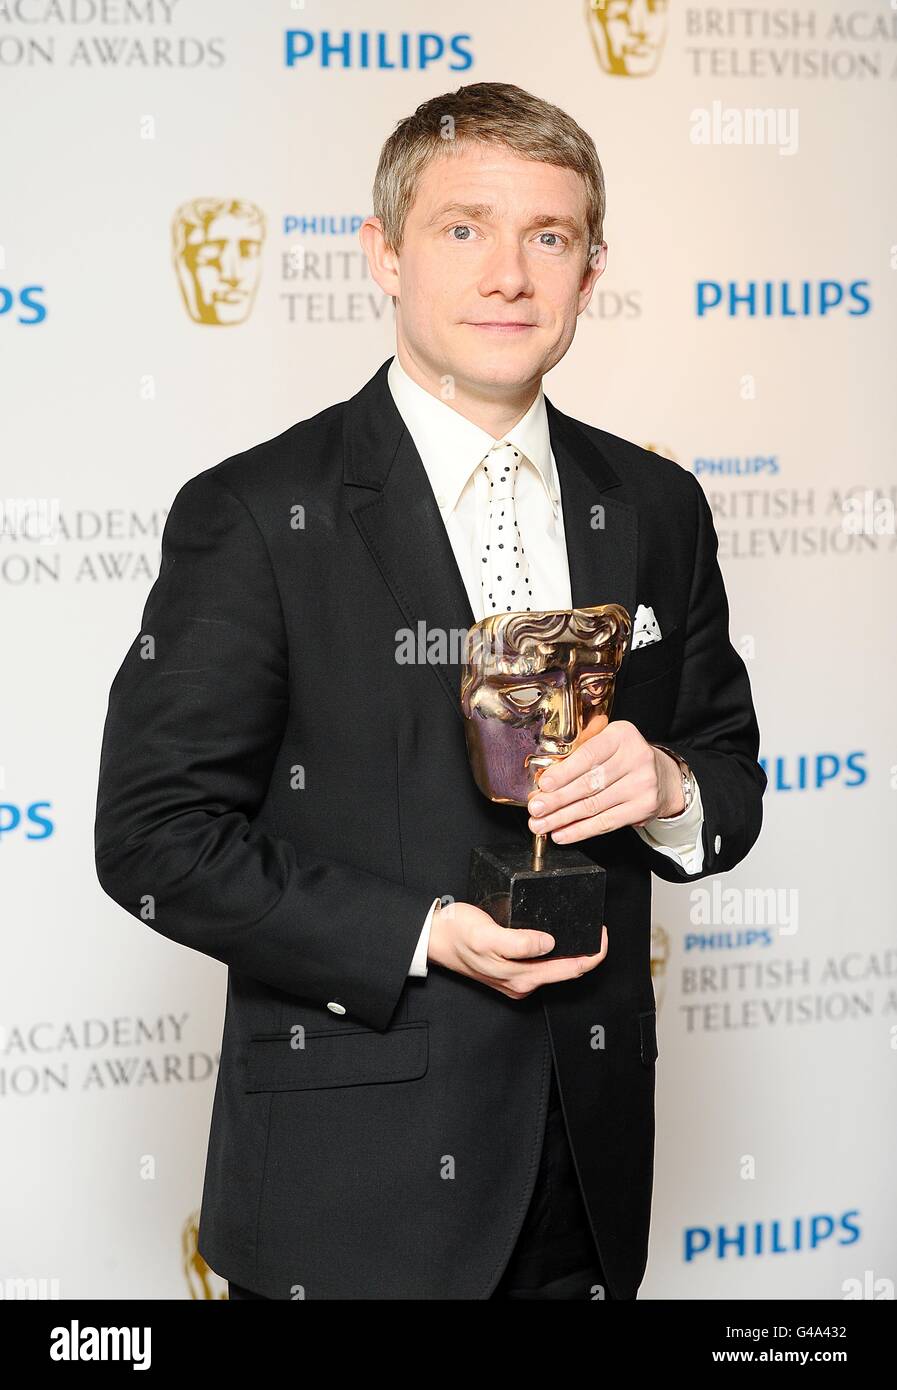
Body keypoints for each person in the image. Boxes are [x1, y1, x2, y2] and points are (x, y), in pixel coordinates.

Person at [94, 81, 765, 1300]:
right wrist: (421, 937)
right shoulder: (254, 515)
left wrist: (668, 787)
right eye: (464, 229)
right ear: (383, 255)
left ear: (591, 267)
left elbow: (727, 772)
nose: (509, 274)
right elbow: (153, 839)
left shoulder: (659, 508)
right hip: (351, 1210)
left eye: (548, 237)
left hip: (590, 1193)